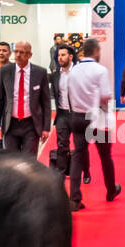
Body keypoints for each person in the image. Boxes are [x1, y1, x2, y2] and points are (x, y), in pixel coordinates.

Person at [63, 38, 120, 211]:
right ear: (96, 51)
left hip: (78, 117)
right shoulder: (100, 70)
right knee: (105, 156)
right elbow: (106, 95)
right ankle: (110, 191)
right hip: (97, 117)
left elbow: (69, 94)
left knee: (78, 157)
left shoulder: (73, 71)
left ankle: (74, 198)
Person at [0, 41, 51, 157]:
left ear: (29, 55)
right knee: (11, 162)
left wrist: (46, 128)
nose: (17, 55)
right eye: (16, 51)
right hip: (10, 124)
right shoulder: (5, 71)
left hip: (31, 125)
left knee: (29, 162)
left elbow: (46, 102)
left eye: (22, 52)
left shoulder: (40, 72)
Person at [49, 45, 89, 184]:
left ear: (71, 57)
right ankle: (60, 174)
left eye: (63, 55)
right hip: (61, 115)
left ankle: (86, 171)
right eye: (59, 55)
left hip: (78, 114)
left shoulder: (80, 73)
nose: (60, 58)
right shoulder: (55, 75)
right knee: (62, 145)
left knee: (81, 146)